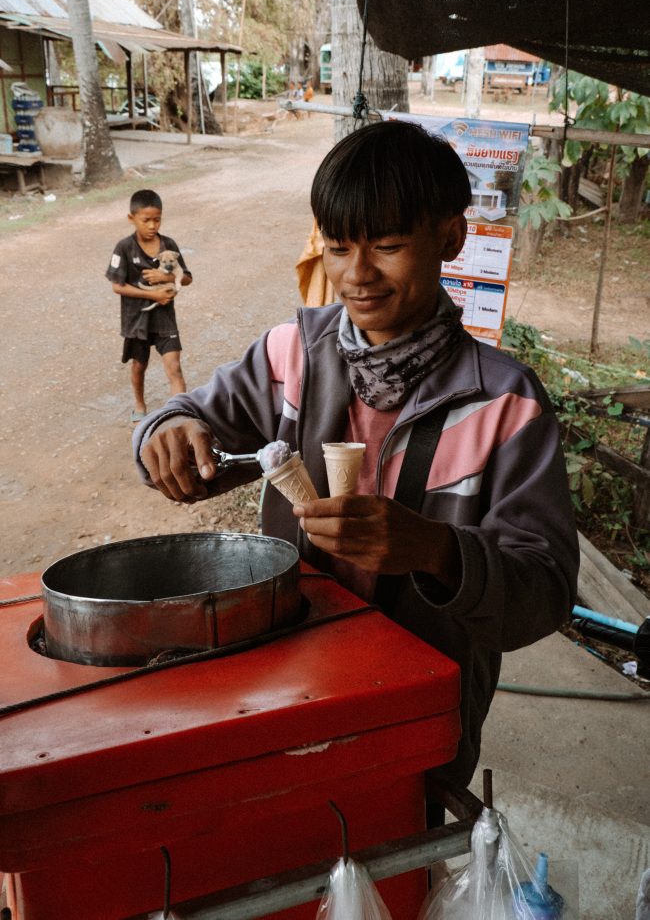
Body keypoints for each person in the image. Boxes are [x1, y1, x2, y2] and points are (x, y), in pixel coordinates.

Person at [134, 121, 579, 789]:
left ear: (451, 238)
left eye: (389, 246)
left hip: (416, 730)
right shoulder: (291, 356)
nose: (357, 274)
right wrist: (168, 431)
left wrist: (437, 551)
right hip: (280, 693)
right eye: (338, 248)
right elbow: (189, 417)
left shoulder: (506, 404)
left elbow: (545, 591)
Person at [106, 189, 192, 422]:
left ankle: (181, 416)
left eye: (157, 220)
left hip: (165, 319)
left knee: (174, 368)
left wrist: (167, 277)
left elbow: (187, 278)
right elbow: (117, 286)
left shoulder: (168, 245)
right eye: (146, 220)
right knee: (138, 365)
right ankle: (139, 404)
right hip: (136, 319)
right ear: (131, 218)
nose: (152, 225)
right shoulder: (124, 247)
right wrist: (153, 296)